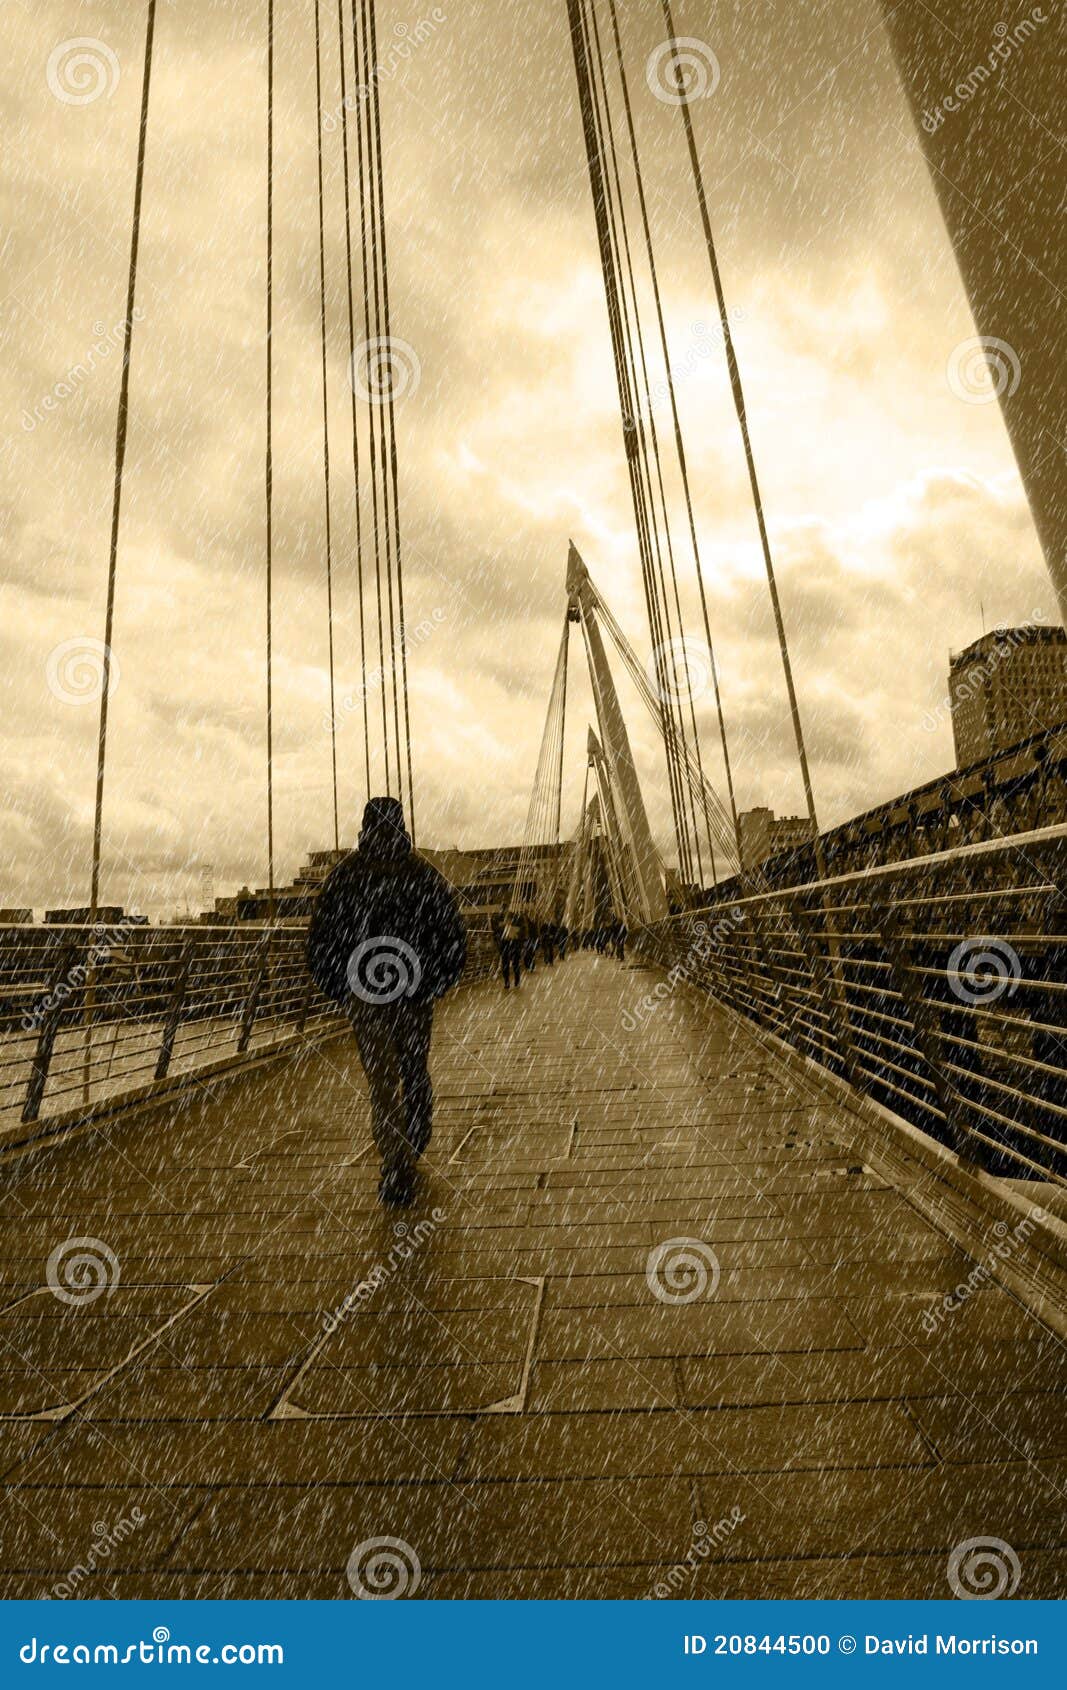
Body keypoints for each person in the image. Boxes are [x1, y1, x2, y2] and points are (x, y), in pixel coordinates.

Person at [305, 797, 466, 1207]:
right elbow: (451, 933)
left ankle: (395, 1161)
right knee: (413, 1069)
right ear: (402, 827)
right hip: (413, 994)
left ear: (363, 829)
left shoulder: (345, 877)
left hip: (365, 994)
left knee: (381, 1082)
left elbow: (321, 939)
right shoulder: (423, 875)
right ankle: (414, 1138)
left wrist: (340, 987)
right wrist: (434, 980)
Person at [500, 907, 524, 990]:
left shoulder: (516, 928)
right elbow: (499, 938)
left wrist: (515, 937)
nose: (507, 921)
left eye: (508, 919)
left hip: (513, 947)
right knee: (505, 966)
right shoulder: (502, 928)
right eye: (506, 919)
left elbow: (521, 937)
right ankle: (507, 982)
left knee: (515, 965)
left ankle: (517, 982)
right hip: (506, 948)